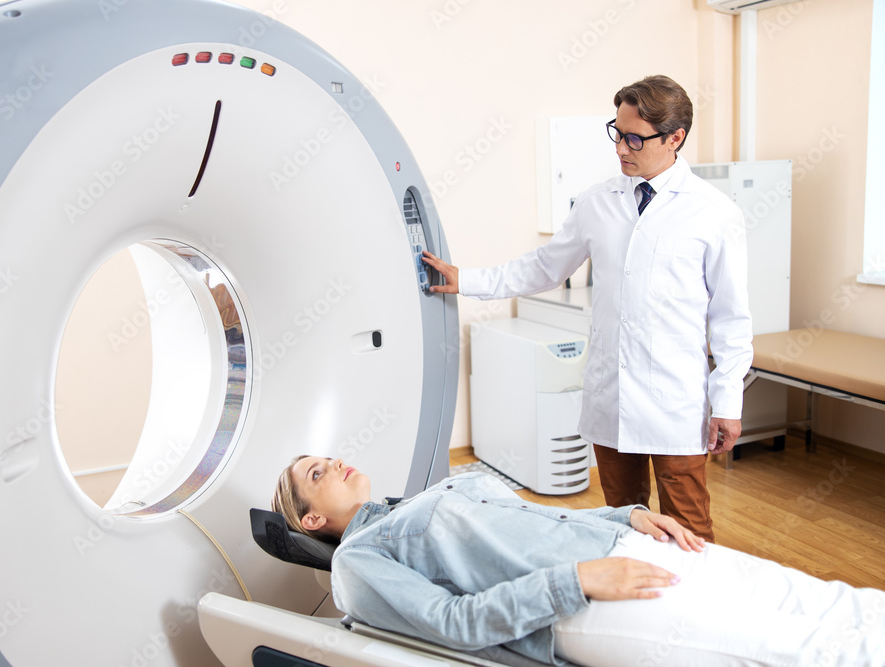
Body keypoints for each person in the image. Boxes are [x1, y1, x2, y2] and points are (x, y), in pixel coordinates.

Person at [421, 75, 754, 542]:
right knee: (621, 520)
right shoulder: (598, 202)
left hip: (677, 403)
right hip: (610, 395)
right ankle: (627, 606)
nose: (621, 147)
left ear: (675, 138)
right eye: (617, 132)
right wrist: (468, 280)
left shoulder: (713, 213)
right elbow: (545, 267)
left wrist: (728, 402)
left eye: (635, 138)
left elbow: (731, 318)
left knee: (688, 528)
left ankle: (688, 612)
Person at [273, 455, 885, 667]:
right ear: (310, 520)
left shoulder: (425, 496)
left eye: (329, 456)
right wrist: (577, 581)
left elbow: (540, 518)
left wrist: (623, 517)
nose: (336, 462)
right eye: (316, 473)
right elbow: (452, 621)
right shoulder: (357, 561)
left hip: (624, 548)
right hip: (586, 602)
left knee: (826, 598)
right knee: (802, 650)